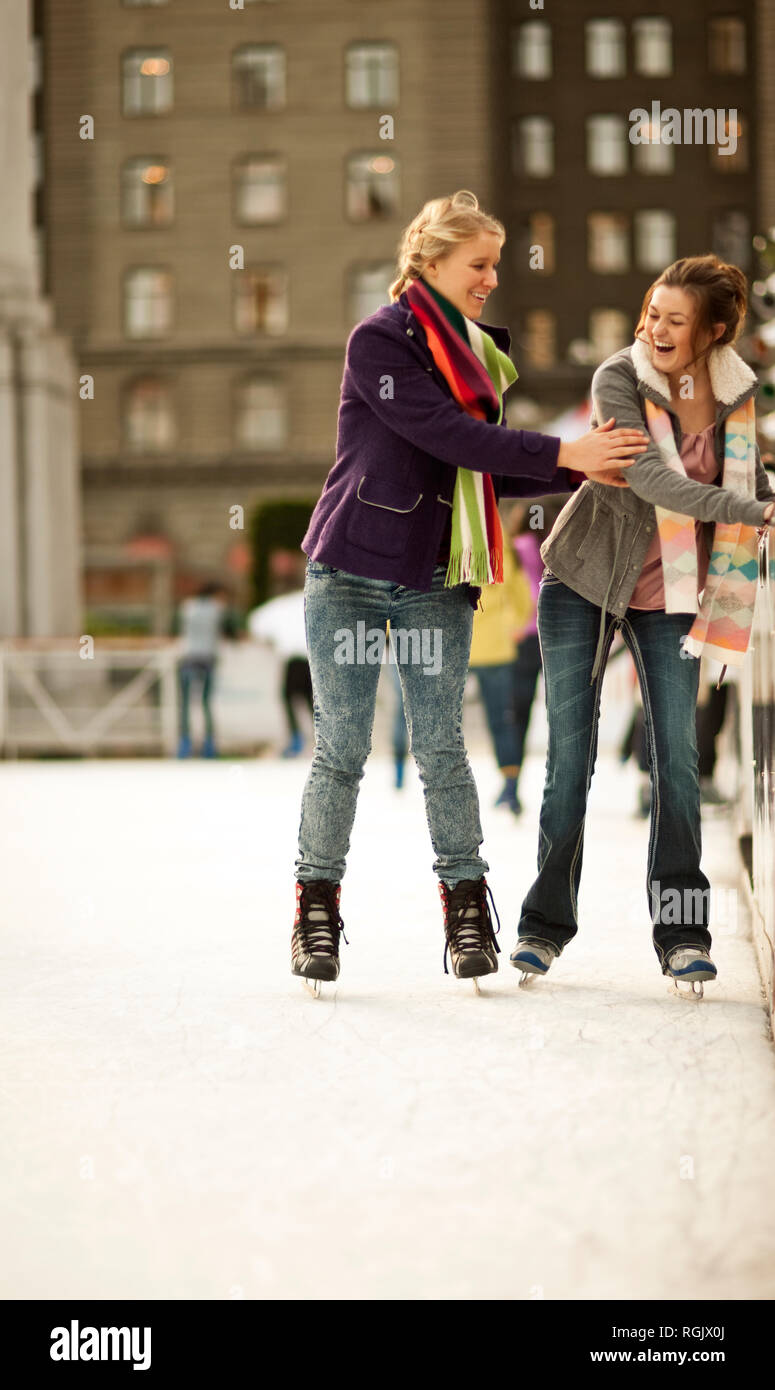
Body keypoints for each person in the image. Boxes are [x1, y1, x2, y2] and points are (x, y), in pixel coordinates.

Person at [289, 189, 648, 987]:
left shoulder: (477, 353)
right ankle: (315, 910)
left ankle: (463, 911)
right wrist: (565, 454)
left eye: (495, 265)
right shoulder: (379, 341)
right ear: (431, 262)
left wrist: (587, 467)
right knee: (342, 750)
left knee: (442, 750)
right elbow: (445, 433)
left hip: (433, 577)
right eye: (478, 264)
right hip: (349, 568)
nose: (491, 279)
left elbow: (478, 465)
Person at [510, 255, 775, 996]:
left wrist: (762, 500)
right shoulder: (616, 380)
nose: (653, 327)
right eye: (650, 312)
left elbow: (747, 481)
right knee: (570, 761)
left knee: (678, 765)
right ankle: (543, 925)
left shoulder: (736, 399)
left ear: (712, 333)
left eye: (673, 319)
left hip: (676, 597)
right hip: (586, 579)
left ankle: (683, 934)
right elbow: (651, 478)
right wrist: (753, 512)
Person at [467, 533, 533, 813]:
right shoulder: (503, 550)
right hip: (498, 650)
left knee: (445, 723)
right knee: (502, 721)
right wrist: (515, 627)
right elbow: (524, 599)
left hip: (462, 647)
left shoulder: (456, 548)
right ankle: (510, 787)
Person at [248, 589, 313, 758]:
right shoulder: (313, 598)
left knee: (288, 698)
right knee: (312, 701)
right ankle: (320, 737)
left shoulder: (280, 605)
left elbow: (257, 622)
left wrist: (270, 641)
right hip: (312, 659)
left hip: (293, 659)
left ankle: (296, 737)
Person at [176, 581, 232, 758]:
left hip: (189, 656)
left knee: (185, 704)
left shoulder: (187, 607)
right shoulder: (217, 609)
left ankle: (184, 743)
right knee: (206, 702)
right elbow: (229, 631)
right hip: (208, 657)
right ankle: (209, 744)